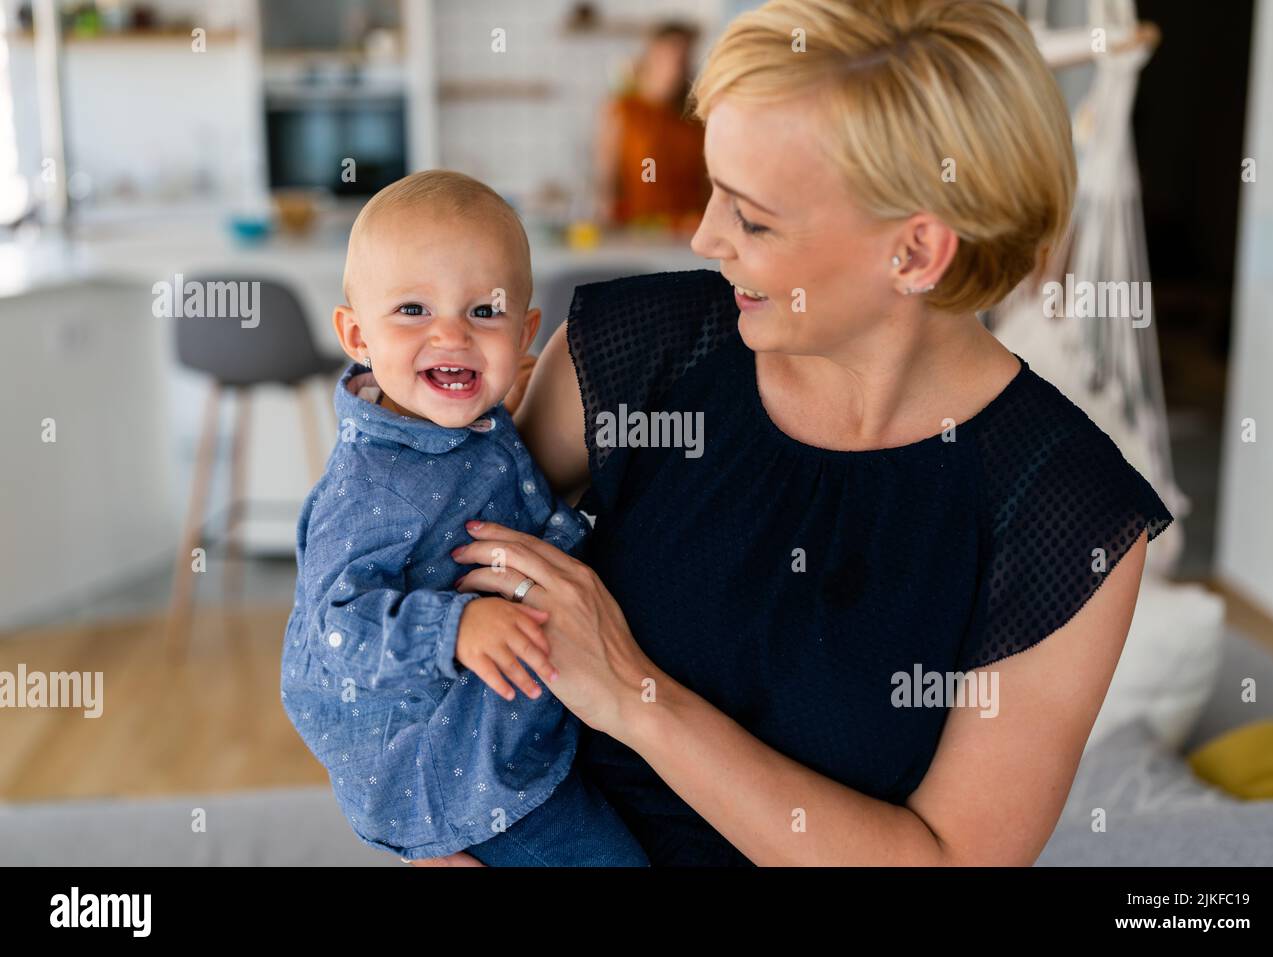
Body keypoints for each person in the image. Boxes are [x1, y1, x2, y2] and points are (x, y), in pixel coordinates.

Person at [421, 0, 1175, 867]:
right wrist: (428, 836)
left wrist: (636, 695)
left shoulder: (1066, 514)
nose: (706, 237)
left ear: (916, 253)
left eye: (752, 217)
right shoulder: (637, 355)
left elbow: (949, 859)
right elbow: (395, 568)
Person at [279, 169, 649, 866]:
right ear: (357, 335)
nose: (451, 334)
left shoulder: (469, 420)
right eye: (413, 310)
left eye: (485, 313)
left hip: (508, 728)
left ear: (524, 331)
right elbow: (331, 631)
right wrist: (456, 626)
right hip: (450, 777)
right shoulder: (370, 486)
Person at [594, 21, 710, 231]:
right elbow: (606, 181)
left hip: (689, 230)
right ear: (652, 55)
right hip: (636, 230)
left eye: (685, 57)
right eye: (671, 55)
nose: (678, 65)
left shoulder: (697, 117)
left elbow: (708, 180)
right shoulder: (622, 111)